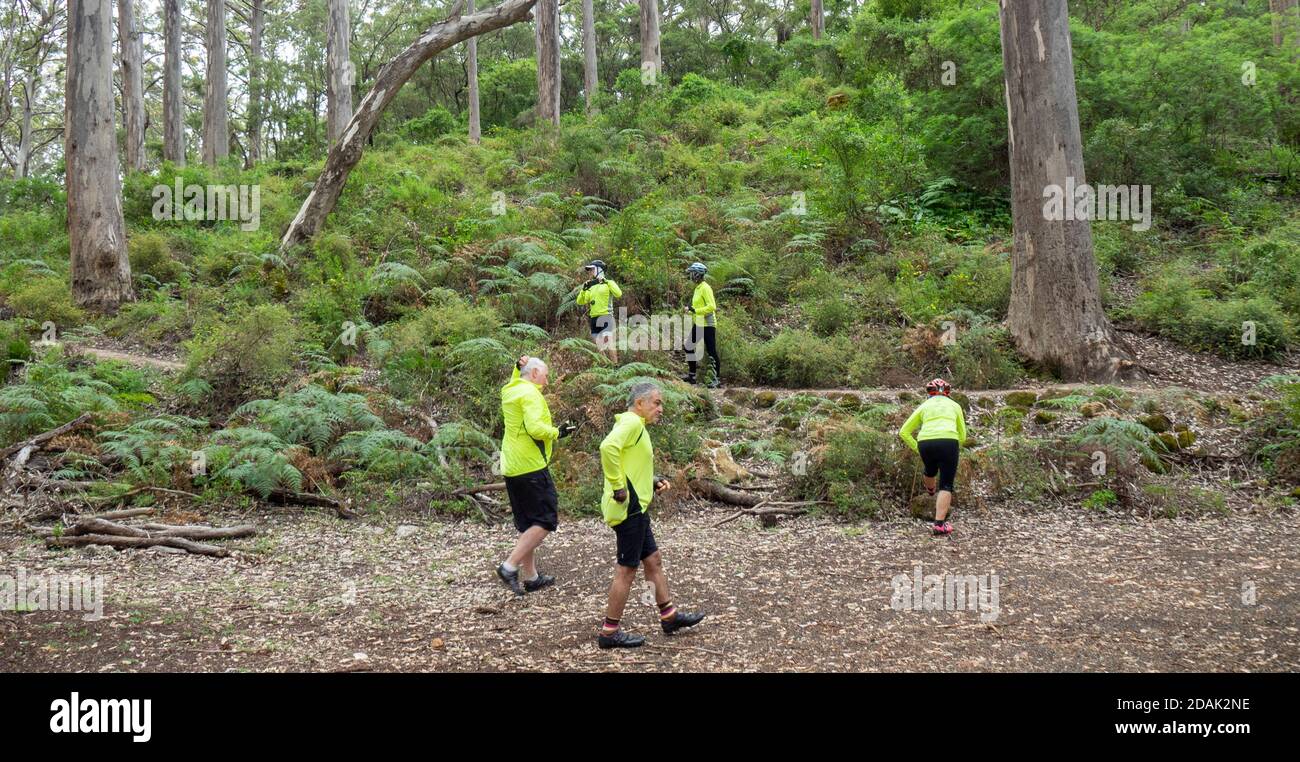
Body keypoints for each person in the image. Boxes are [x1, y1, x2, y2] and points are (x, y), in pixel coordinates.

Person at [595, 381, 705, 648]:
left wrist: (651, 480)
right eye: (656, 402)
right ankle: (609, 633)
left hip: (638, 508)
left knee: (653, 560)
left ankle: (669, 617)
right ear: (640, 403)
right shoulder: (632, 423)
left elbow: (628, 462)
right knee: (627, 570)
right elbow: (607, 448)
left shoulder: (636, 426)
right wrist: (619, 486)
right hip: (629, 509)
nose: (660, 408)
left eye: (661, 403)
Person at [496, 355, 577, 594]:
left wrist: (516, 368)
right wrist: (558, 432)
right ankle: (509, 567)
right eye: (545, 374)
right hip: (530, 466)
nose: (547, 380)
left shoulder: (510, 389)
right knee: (544, 520)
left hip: (512, 465)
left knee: (528, 523)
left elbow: (516, 379)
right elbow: (534, 428)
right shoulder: (530, 394)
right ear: (533, 374)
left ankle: (531, 577)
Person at [898, 378, 968, 536]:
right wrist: (955, 446)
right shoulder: (955, 406)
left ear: (929, 394)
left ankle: (930, 490)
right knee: (946, 485)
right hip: (949, 441)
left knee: (930, 470)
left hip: (925, 442)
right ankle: (939, 525)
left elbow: (904, 431)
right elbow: (963, 435)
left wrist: (918, 448)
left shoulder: (924, 406)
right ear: (948, 394)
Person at [575, 259, 622, 363]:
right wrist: (584, 289)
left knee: (609, 343)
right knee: (599, 346)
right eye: (589, 270)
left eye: (592, 270)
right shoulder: (591, 286)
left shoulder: (609, 283)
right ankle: (606, 365)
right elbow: (580, 301)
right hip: (594, 318)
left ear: (598, 269)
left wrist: (605, 282)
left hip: (606, 316)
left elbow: (618, 294)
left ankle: (615, 367)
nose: (590, 272)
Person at [682, 262, 721, 388]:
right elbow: (698, 306)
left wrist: (695, 310)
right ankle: (692, 376)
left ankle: (716, 380)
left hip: (708, 324)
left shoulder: (705, 288)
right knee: (688, 346)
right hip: (699, 323)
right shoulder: (698, 288)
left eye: (692, 274)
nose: (690, 276)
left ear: (697, 275)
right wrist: (690, 309)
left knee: (711, 352)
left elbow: (712, 307)